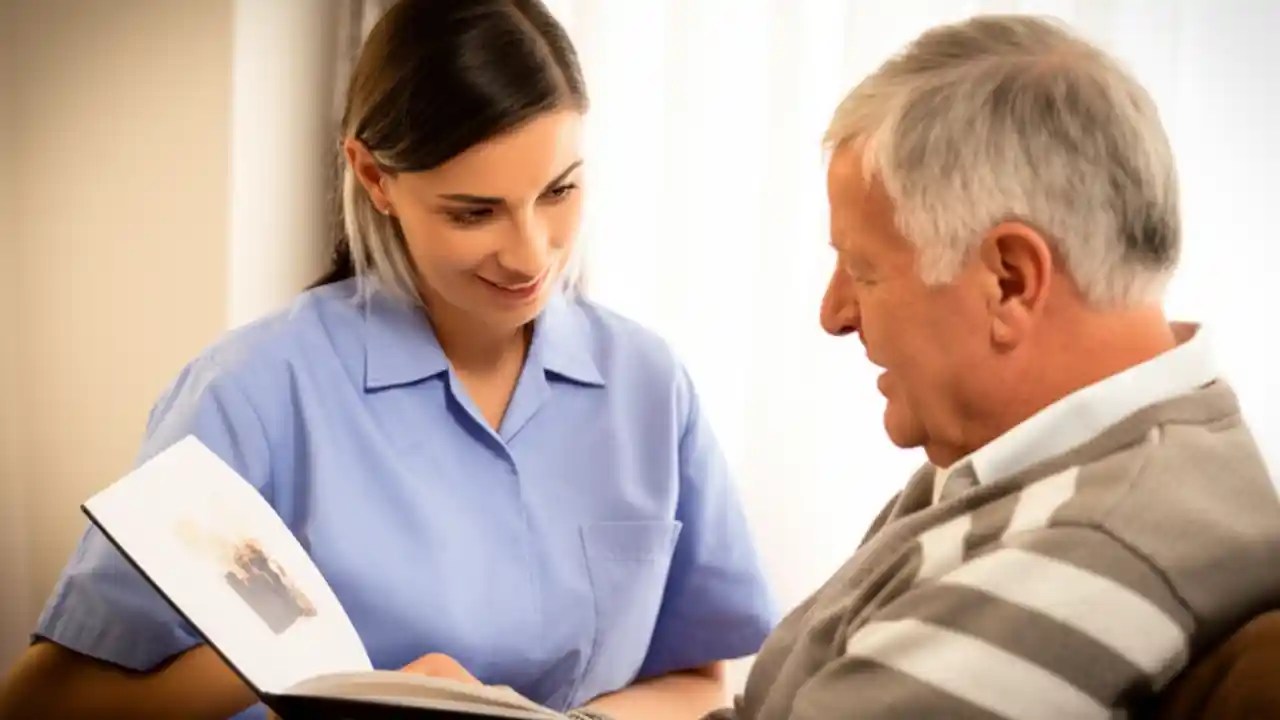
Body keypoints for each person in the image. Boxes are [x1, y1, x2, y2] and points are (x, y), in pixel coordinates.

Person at [0, 1, 776, 718]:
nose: (531, 252)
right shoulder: (251, 395)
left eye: (559, 191)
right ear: (374, 177)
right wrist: (308, 665)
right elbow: (40, 703)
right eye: (474, 212)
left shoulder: (648, 386)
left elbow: (701, 676)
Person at [705, 14, 1280, 720]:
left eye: (864, 270)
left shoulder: (1090, 546)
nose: (834, 312)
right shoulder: (1036, 465)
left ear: (1009, 280)